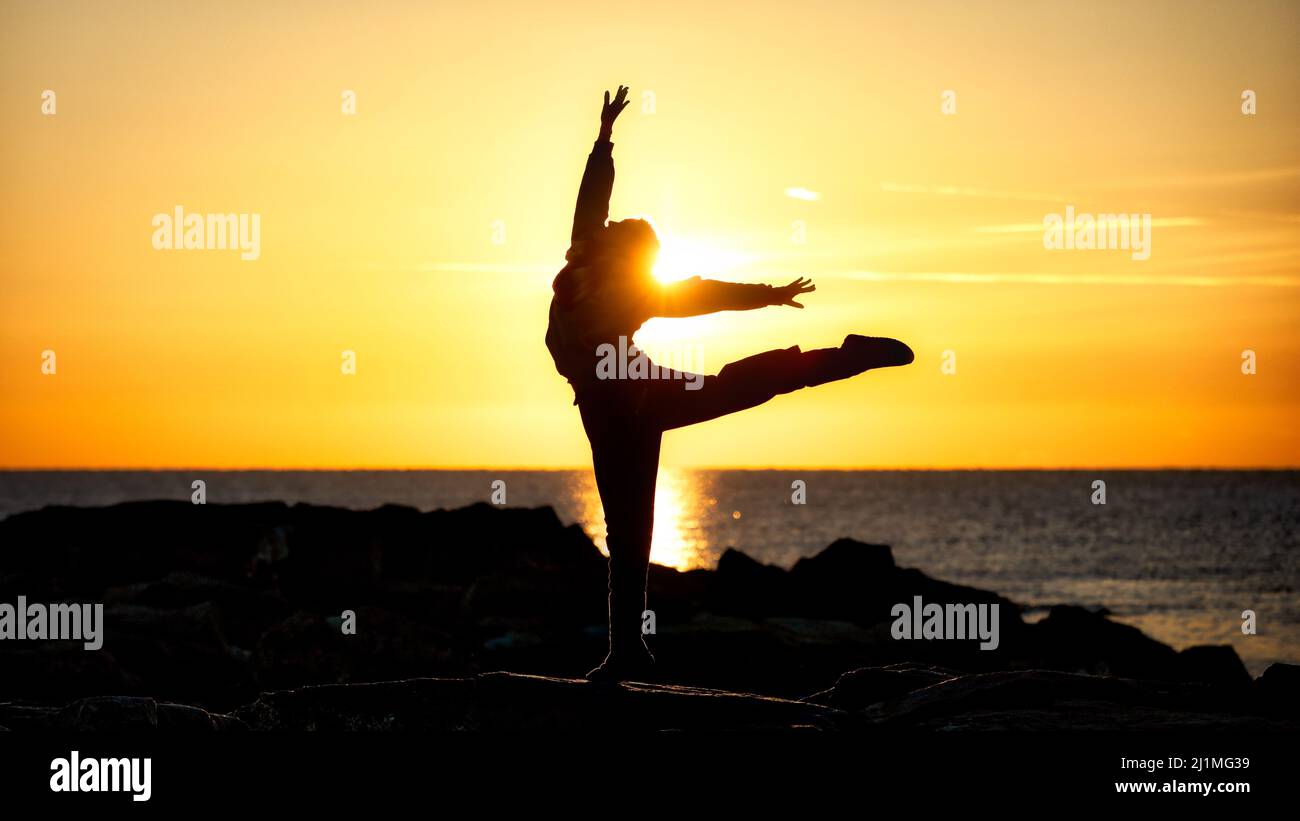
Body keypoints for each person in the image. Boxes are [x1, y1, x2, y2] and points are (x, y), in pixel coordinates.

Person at [546, 85, 914, 682]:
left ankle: (845, 358)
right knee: (629, 528)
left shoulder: (630, 283)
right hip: (611, 403)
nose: (609, 222)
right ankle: (628, 651)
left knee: (728, 394)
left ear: (624, 248)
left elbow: (704, 293)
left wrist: (768, 294)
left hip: (631, 393)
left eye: (619, 226)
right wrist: (605, 137)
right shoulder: (586, 254)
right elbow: (594, 199)